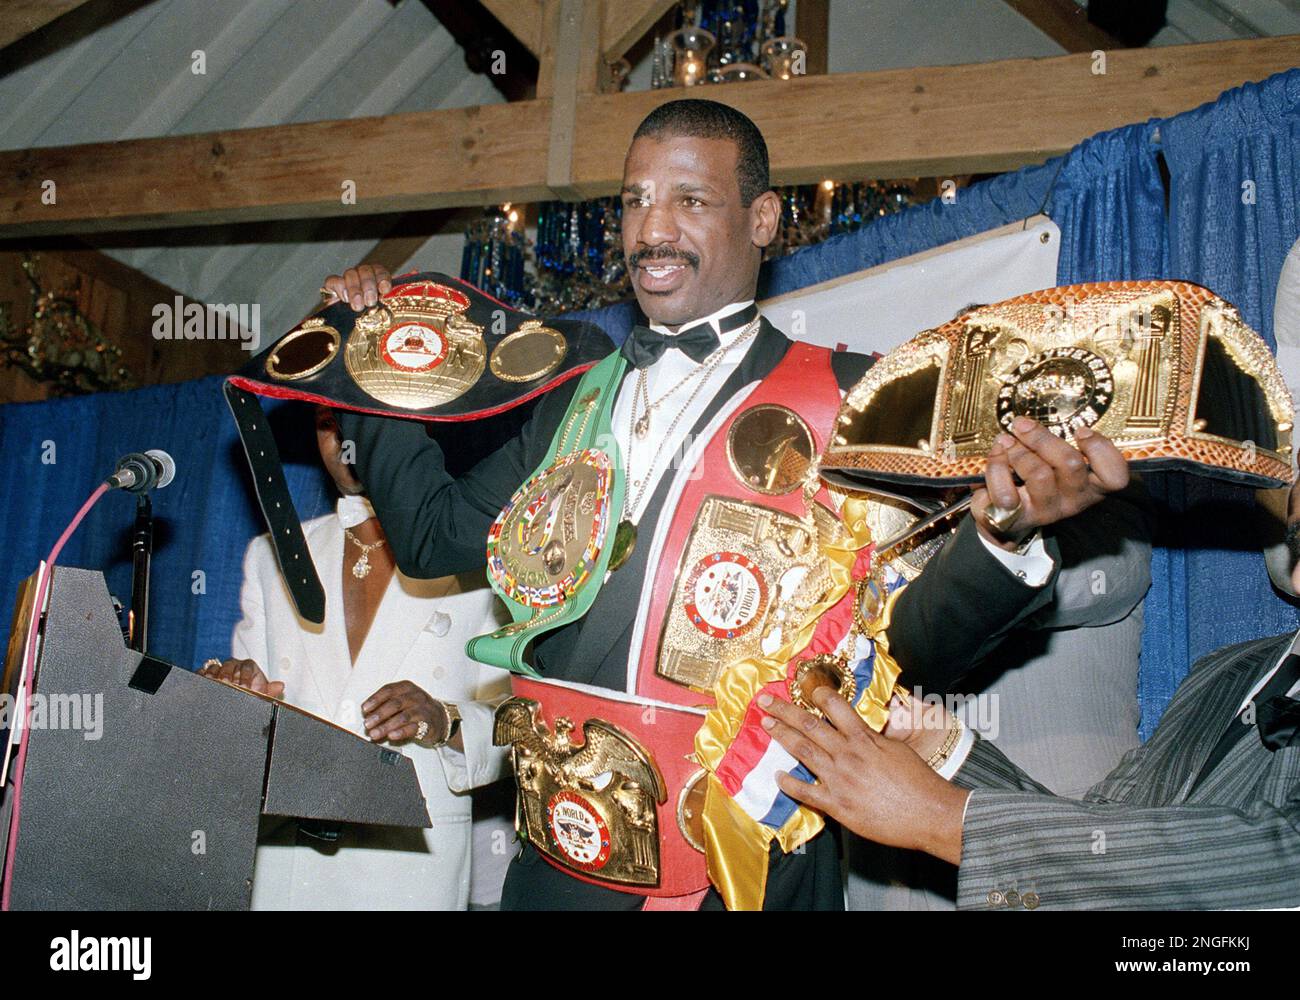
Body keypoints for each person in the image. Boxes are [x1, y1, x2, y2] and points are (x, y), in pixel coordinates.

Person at [321, 99, 1131, 910]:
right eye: (635, 200)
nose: (651, 231)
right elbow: (432, 539)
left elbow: (916, 641)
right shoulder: (574, 400)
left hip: (749, 865)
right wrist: (373, 362)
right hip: (560, 866)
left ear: (763, 218)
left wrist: (1005, 531)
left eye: (689, 201)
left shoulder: (845, 397)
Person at [760, 471, 1300, 910]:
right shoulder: (1229, 670)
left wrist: (944, 819)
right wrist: (943, 750)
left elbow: (1271, 865)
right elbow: (1111, 835)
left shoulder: (1099, 504)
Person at [202, 405, 511, 909]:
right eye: (329, 422)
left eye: (369, 416)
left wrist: (445, 720)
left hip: (411, 866)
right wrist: (232, 693)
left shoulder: (482, 560)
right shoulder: (273, 553)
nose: (346, 437)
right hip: (286, 861)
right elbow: (243, 735)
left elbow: (516, 727)